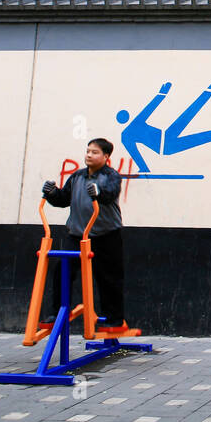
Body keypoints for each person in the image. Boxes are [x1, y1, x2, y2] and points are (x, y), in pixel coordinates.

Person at [41, 138, 129, 332]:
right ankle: (57, 313)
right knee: (62, 272)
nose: (89, 155)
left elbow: (109, 194)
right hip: (79, 235)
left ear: (105, 157)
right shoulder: (77, 177)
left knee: (108, 278)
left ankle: (114, 319)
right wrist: (51, 193)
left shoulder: (111, 176)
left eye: (94, 152)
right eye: (88, 151)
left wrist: (98, 192)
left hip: (106, 235)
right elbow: (63, 199)